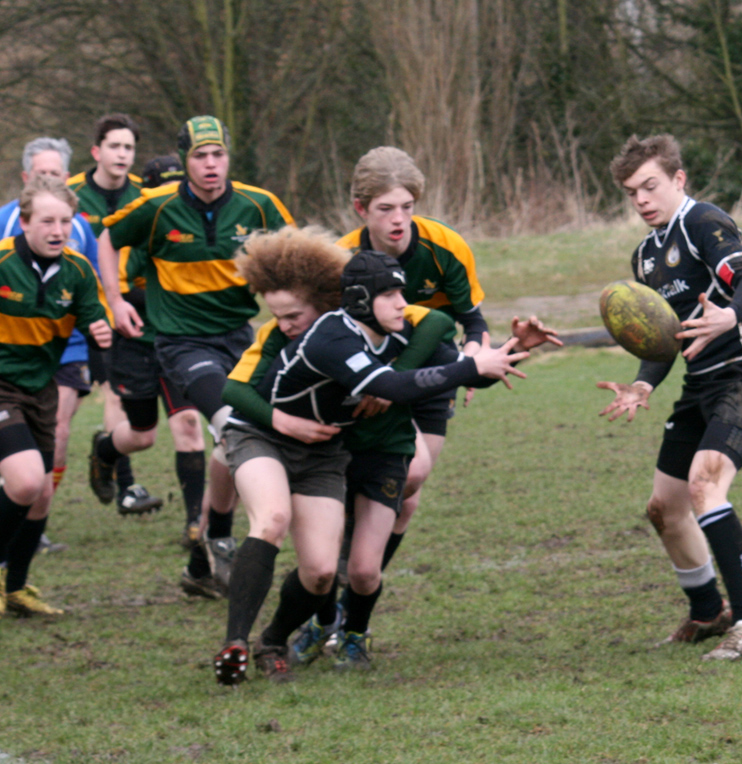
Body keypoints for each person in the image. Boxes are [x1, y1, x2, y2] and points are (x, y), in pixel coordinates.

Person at [211, 238, 529, 684]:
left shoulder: (389, 325)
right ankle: (235, 645)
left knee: (322, 572)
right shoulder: (327, 334)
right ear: (360, 299)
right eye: (391, 295)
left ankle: (274, 639)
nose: (403, 303)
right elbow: (397, 385)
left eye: (291, 316)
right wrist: (470, 368)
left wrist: (510, 351)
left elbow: (442, 341)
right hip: (261, 434)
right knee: (273, 517)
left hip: (323, 451)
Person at [598, 134, 742, 661]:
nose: (641, 200)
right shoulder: (646, 256)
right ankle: (708, 611)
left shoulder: (704, 223)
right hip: (700, 386)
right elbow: (665, 342)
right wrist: (641, 384)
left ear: (678, 180)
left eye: (650, 186)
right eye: (632, 193)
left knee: (705, 484)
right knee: (664, 508)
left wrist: (731, 313)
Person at [94, 116, 294, 597]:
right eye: (200, 156)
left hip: (240, 338)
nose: (210, 165)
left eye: (218, 155)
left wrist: (293, 309)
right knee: (232, 424)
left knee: (232, 439)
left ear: (228, 156)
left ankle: (203, 560)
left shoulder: (258, 203)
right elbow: (107, 238)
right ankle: (228, 535)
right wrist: (116, 299)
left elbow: (293, 255)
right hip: (181, 343)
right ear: (185, 161)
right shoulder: (157, 207)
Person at [334, 147, 493, 582]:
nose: (398, 220)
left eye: (407, 207)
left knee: (410, 486)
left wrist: (474, 359)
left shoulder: (445, 247)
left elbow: (473, 322)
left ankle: (355, 587)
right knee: (379, 485)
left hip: (430, 379)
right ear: (361, 208)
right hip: (367, 384)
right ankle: (341, 579)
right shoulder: (341, 259)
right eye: (385, 209)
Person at [0, 176, 112, 617]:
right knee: (26, 481)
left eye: (66, 221)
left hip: (40, 388)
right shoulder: (3, 262)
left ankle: (18, 588)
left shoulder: (78, 270)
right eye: (47, 220)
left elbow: (93, 317)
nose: (58, 230)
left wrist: (101, 332)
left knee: (42, 494)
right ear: (23, 222)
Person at [95, 156, 207, 553]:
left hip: (181, 344)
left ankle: (197, 523)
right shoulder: (138, 231)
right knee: (142, 435)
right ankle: (105, 449)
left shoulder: (195, 230)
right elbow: (122, 290)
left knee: (190, 424)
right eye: (160, 189)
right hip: (136, 343)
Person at [68, 114, 161, 513]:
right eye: (115, 146)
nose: (122, 154)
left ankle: (118, 476)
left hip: (128, 314)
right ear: (96, 151)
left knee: (119, 400)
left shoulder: (144, 196)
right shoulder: (70, 194)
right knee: (98, 402)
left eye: (129, 148)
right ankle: (123, 484)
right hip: (82, 315)